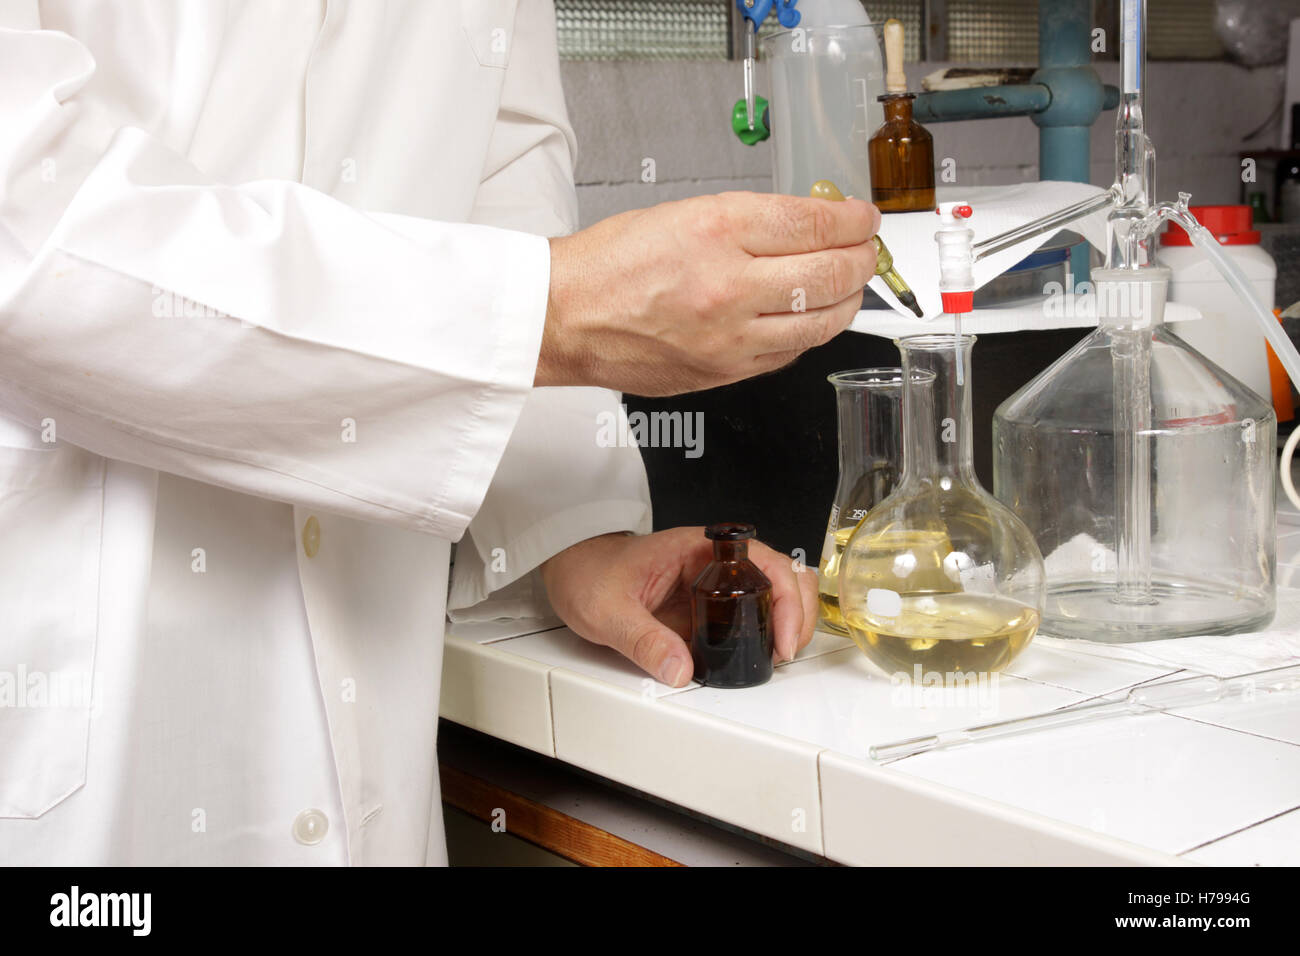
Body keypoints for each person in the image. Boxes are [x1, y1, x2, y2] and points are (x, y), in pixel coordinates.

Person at [0, 1, 881, 864]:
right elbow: (25, 222)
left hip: (374, 700)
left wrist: (573, 530)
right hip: (84, 713)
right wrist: (552, 312)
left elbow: (502, 159)